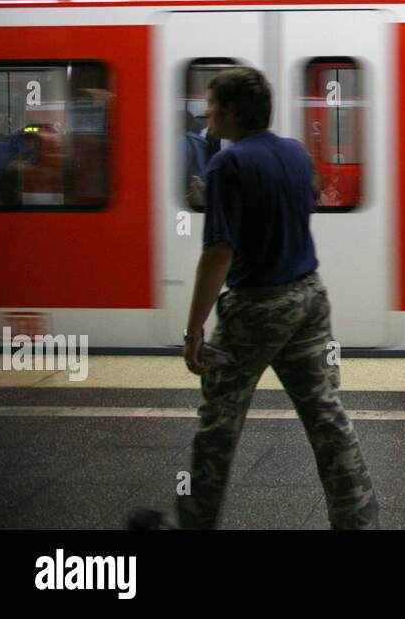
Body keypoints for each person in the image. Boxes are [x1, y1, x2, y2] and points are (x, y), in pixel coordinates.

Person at [136, 67, 377, 529]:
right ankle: (360, 519)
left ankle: (194, 522)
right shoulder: (294, 152)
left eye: (210, 106)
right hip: (309, 299)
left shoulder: (226, 165)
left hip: (256, 307)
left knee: (218, 424)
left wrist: (193, 332)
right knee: (327, 416)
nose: (206, 117)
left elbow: (218, 253)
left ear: (230, 110)